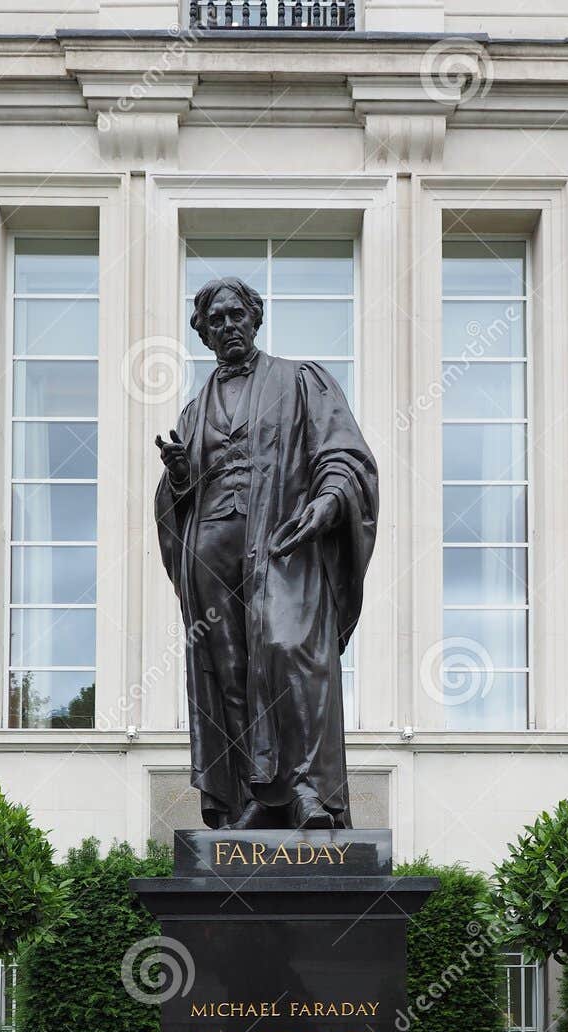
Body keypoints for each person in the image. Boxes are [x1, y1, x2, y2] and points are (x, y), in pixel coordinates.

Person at [155, 276, 378, 829]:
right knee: (228, 667)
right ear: (203, 334)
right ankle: (254, 793)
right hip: (211, 545)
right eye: (216, 321)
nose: (228, 326)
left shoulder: (299, 381)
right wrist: (181, 476)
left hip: (280, 543)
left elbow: (342, 453)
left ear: (255, 319)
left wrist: (330, 500)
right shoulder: (194, 410)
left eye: (237, 315)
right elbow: (176, 495)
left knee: (287, 648)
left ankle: (305, 789)